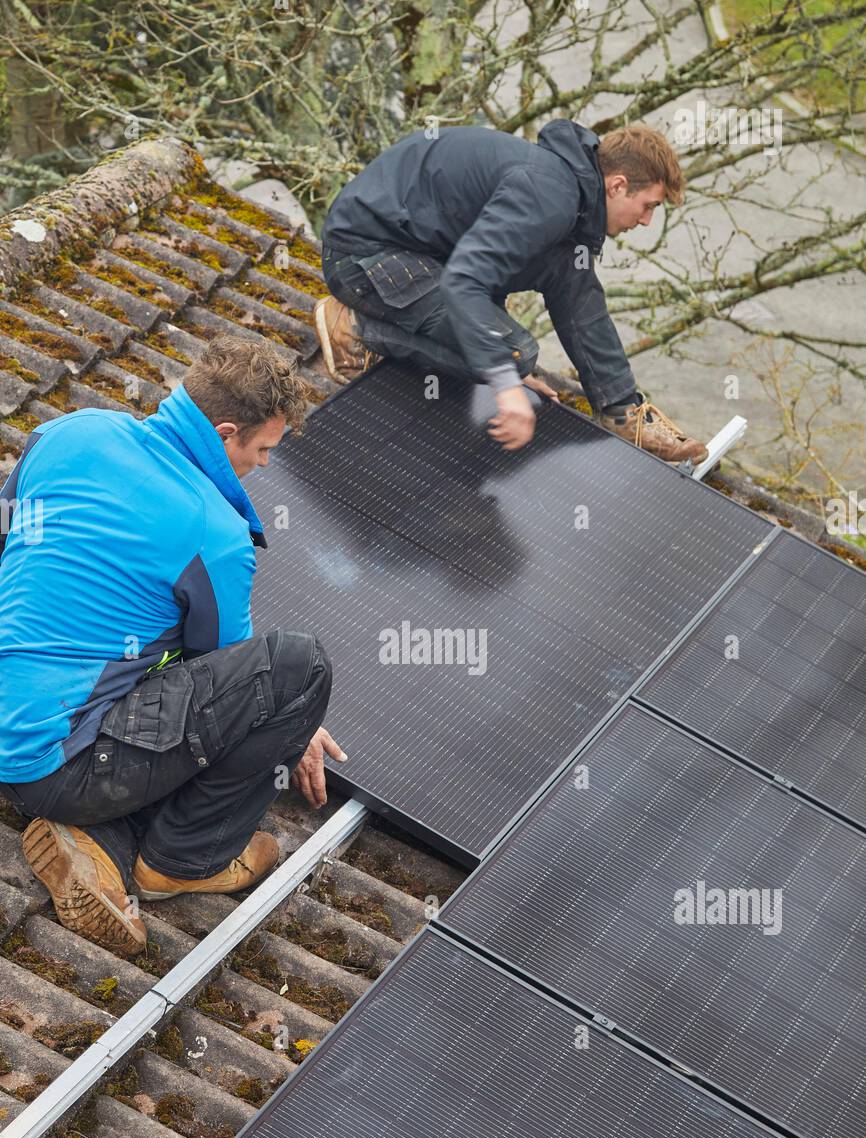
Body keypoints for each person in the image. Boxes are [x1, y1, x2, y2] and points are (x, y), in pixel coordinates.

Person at [0, 335, 344, 958]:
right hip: (56, 765)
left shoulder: (72, 434)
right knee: (298, 666)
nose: (265, 466)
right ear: (226, 430)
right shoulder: (215, 534)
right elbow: (224, 681)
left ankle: (99, 846)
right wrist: (295, 725)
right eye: (263, 449)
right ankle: (184, 858)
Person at [315, 120, 707, 463]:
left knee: (572, 270)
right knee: (515, 353)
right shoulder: (549, 195)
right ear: (618, 185)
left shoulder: (567, 192)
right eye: (647, 206)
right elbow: (466, 280)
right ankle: (356, 328)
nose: (646, 221)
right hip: (366, 260)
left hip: (418, 254)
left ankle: (621, 412)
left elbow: (501, 266)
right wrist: (505, 379)